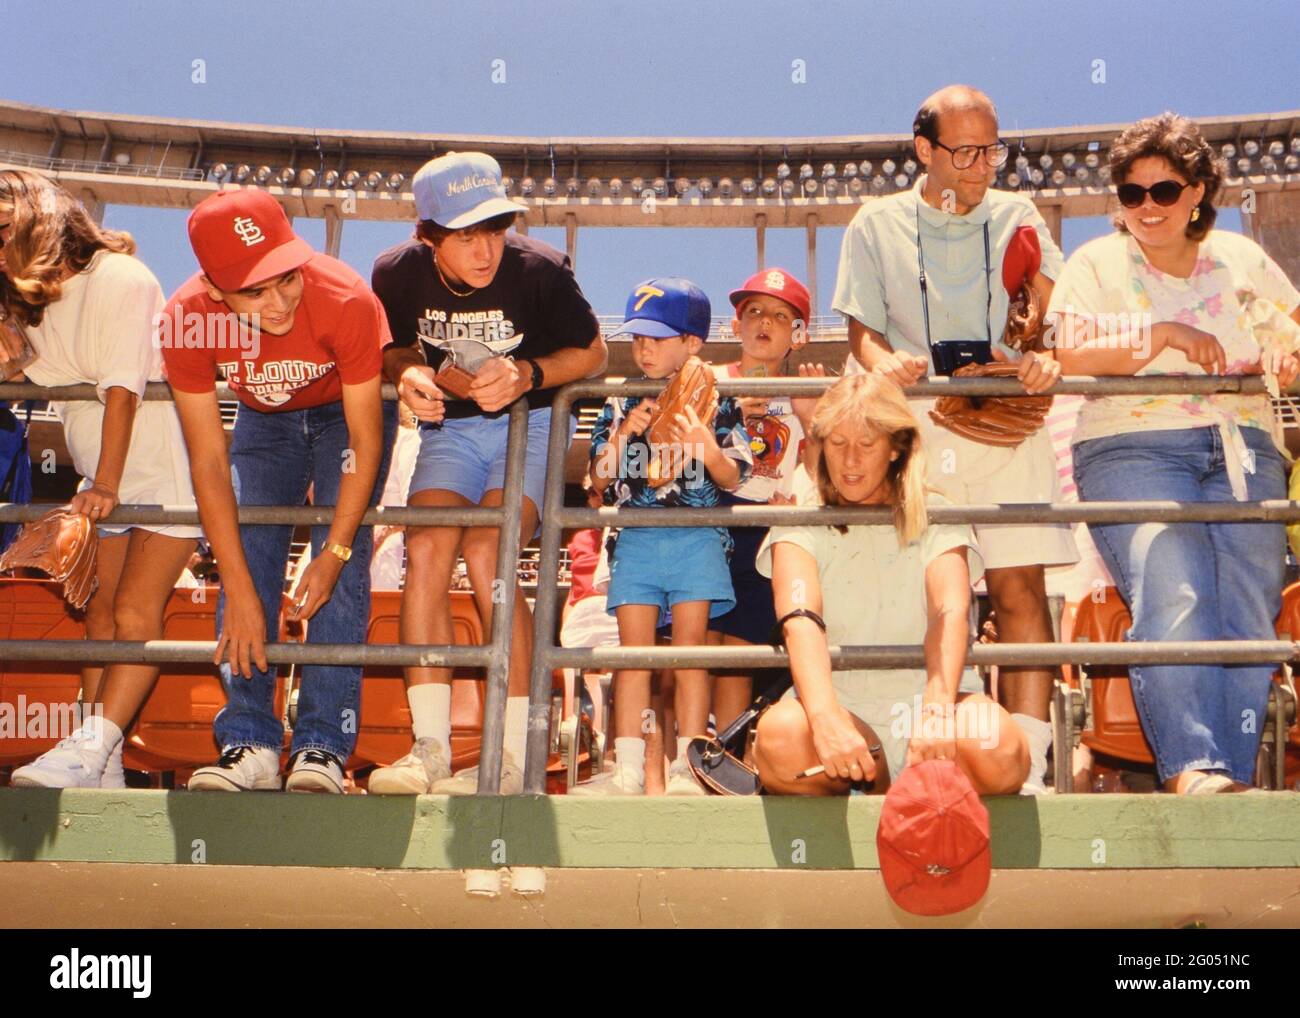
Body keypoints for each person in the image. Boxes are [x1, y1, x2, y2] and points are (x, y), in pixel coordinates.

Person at [833, 84, 1077, 793]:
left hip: (1004, 423)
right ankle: (899, 757)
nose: (982, 165)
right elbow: (862, 334)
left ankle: (1024, 765)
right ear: (924, 150)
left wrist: (1035, 353)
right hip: (917, 429)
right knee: (928, 598)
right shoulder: (874, 224)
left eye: (992, 148)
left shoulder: (1018, 213)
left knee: (1019, 590)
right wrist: (890, 368)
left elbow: (1042, 316)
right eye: (965, 150)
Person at [1048, 112, 1300, 794]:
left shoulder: (1242, 258)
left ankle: (1234, 773)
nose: (1147, 207)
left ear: (1197, 191)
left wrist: (1286, 349)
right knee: (1174, 587)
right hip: (1131, 442)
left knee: (1249, 609)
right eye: (1132, 194)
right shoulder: (1096, 261)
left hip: (1244, 445)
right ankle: (1193, 768)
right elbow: (1069, 349)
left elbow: (1294, 327)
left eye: (1164, 190)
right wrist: (1160, 334)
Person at [368, 152, 605, 795]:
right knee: (425, 552)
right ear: (428, 236)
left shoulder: (541, 268)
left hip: (523, 425)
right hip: (452, 427)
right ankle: (431, 750)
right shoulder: (394, 272)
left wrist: (528, 374)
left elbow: (593, 351)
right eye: (466, 234)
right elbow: (394, 348)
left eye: (495, 228)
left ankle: (514, 750)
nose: (485, 249)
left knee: (491, 553)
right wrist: (409, 373)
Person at [160, 188, 396, 794]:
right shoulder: (187, 317)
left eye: (286, 277)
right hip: (263, 421)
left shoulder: (345, 297)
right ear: (214, 290)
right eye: (254, 291)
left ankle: (323, 745)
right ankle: (251, 741)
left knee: (341, 569)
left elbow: (364, 444)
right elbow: (209, 461)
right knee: (248, 558)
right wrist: (236, 587)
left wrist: (336, 549)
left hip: (344, 416)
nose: (279, 299)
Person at [1, 170, 201, 789]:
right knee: (98, 616)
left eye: (4, 228)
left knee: (139, 609)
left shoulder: (122, 277)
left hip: (159, 465)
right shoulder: (30, 299)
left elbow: (121, 391)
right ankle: (102, 764)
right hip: (99, 471)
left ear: (42, 219)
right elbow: (31, 378)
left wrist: (106, 484)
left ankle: (88, 750)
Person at [753, 374, 1029, 796]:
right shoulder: (799, 519)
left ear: (896, 447)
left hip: (935, 701)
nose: (849, 461)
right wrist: (826, 718)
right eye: (837, 443)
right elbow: (800, 618)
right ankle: (887, 794)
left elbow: (949, 610)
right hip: (843, 705)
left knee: (1002, 750)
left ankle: (913, 794)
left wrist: (937, 709)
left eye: (866, 445)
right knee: (778, 740)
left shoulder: (937, 511)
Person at [572, 277, 753, 796]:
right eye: (637, 339)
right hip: (638, 539)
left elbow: (735, 476)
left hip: (697, 539)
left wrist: (706, 448)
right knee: (634, 654)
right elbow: (600, 480)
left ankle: (688, 765)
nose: (644, 349)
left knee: (691, 652)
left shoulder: (719, 401)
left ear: (693, 343)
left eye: (659, 338)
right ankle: (627, 765)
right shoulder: (618, 400)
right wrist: (628, 432)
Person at [707, 268, 822, 730]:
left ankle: (723, 758)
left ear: (800, 335)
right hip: (706, 518)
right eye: (753, 311)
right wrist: (725, 410)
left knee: (740, 650)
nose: (764, 322)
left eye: (780, 315)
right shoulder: (706, 379)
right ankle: (675, 755)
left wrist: (813, 424)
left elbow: (819, 478)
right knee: (689, 646)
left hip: (766, 525)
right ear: (735, 325)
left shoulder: (809, 392)